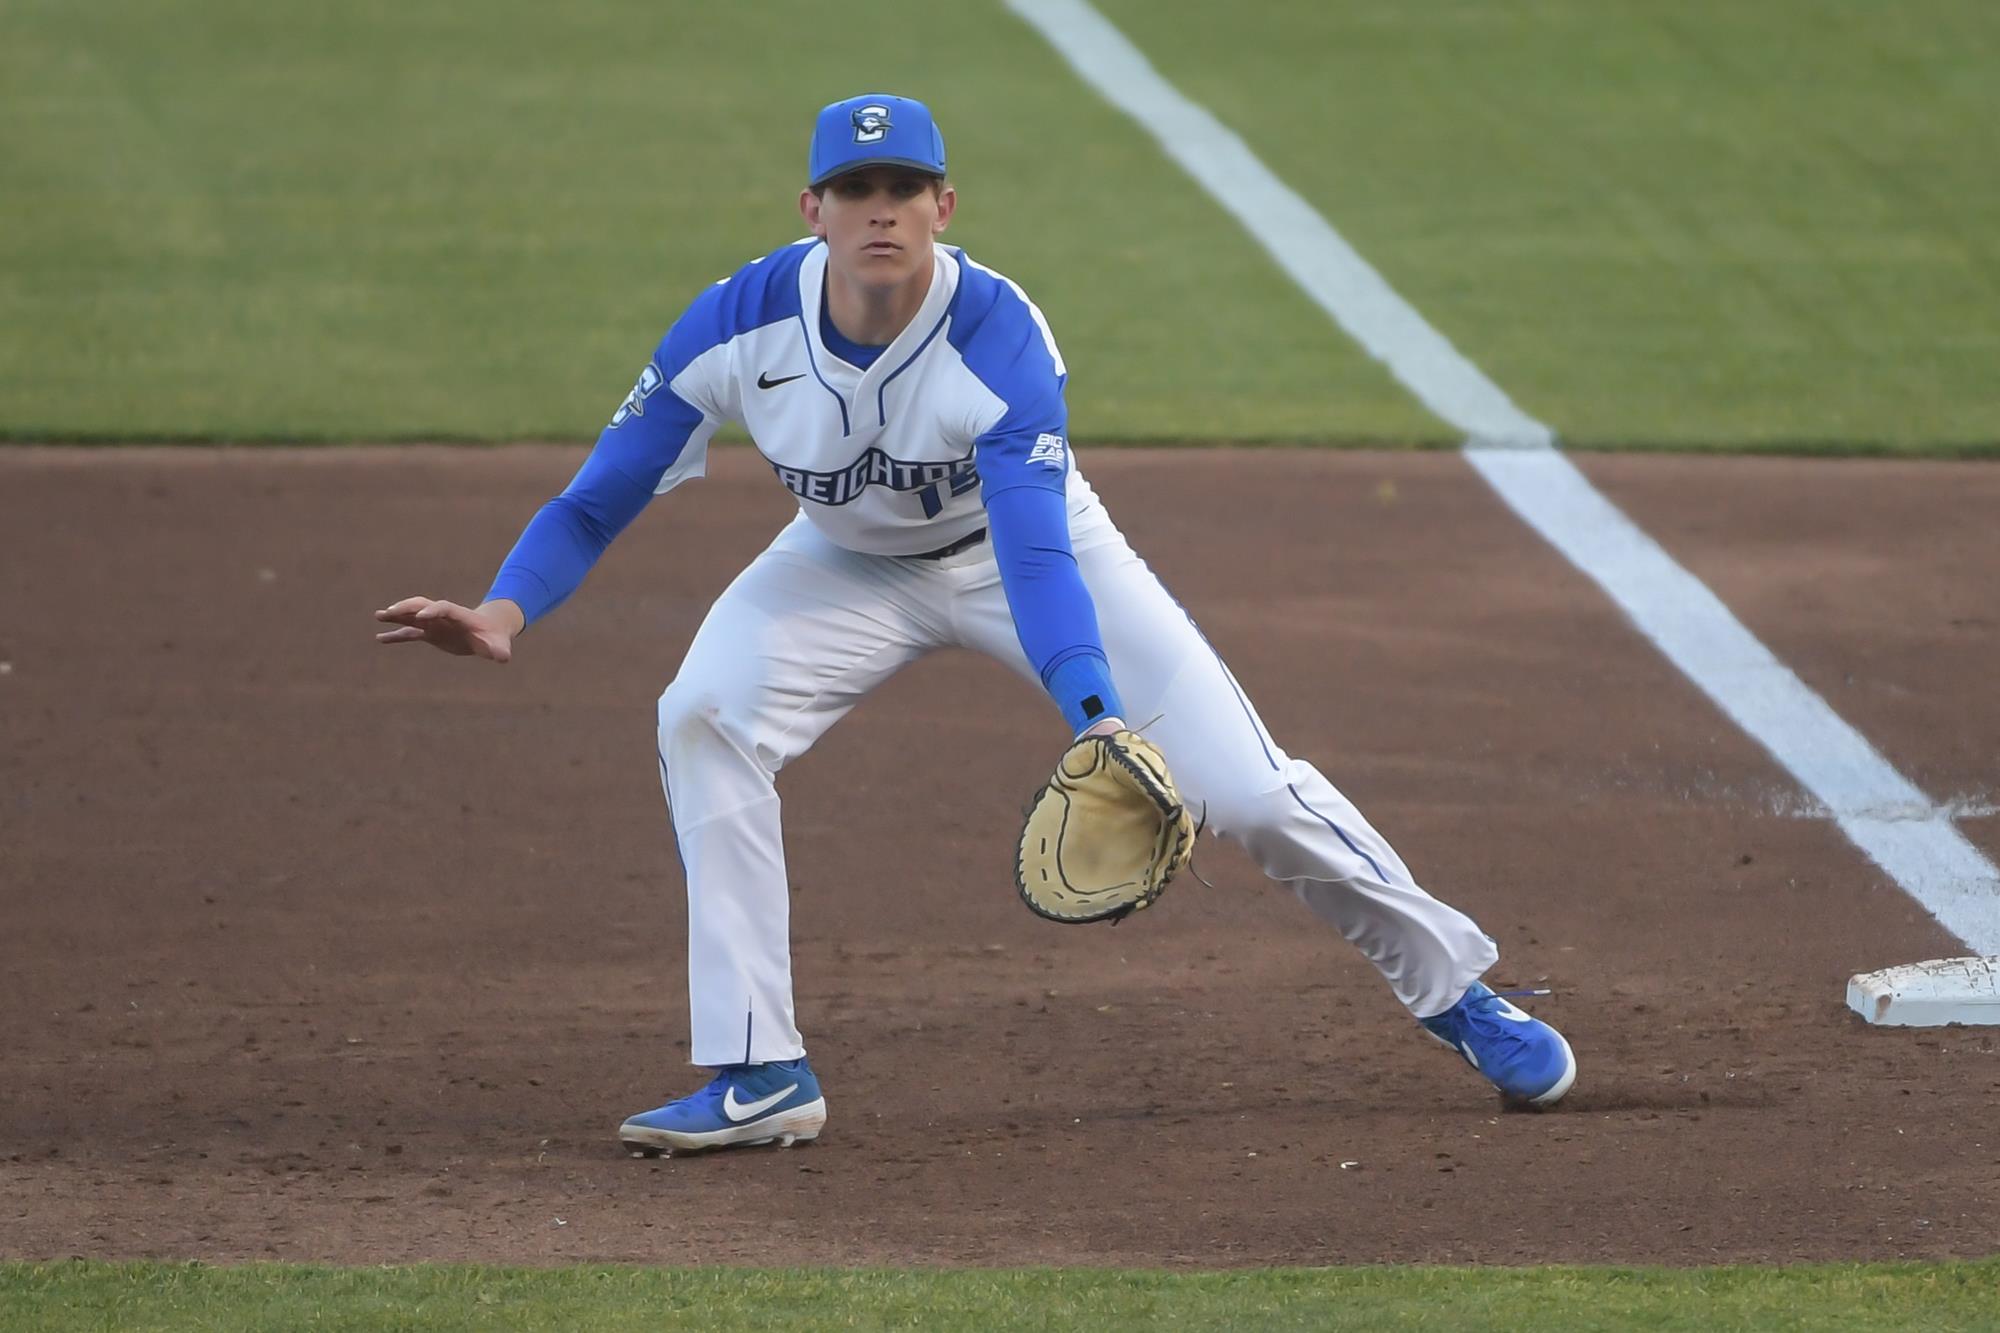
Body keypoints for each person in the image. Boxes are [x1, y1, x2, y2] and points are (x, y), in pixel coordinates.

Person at [376, 93, 1577, 1157]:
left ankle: (1457, 993)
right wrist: (502, 608)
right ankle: (758, 1070)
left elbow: (1035, 544)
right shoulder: (734, 324)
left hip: (1021, 554)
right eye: (854, 190)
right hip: (840, 566)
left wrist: (1096, 713)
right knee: (699, 714)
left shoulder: (999, 339)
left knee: (1249, 794)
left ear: (944, 204)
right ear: (812, 208)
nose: (879, 209)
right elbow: (600, 494)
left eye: (901, 187)